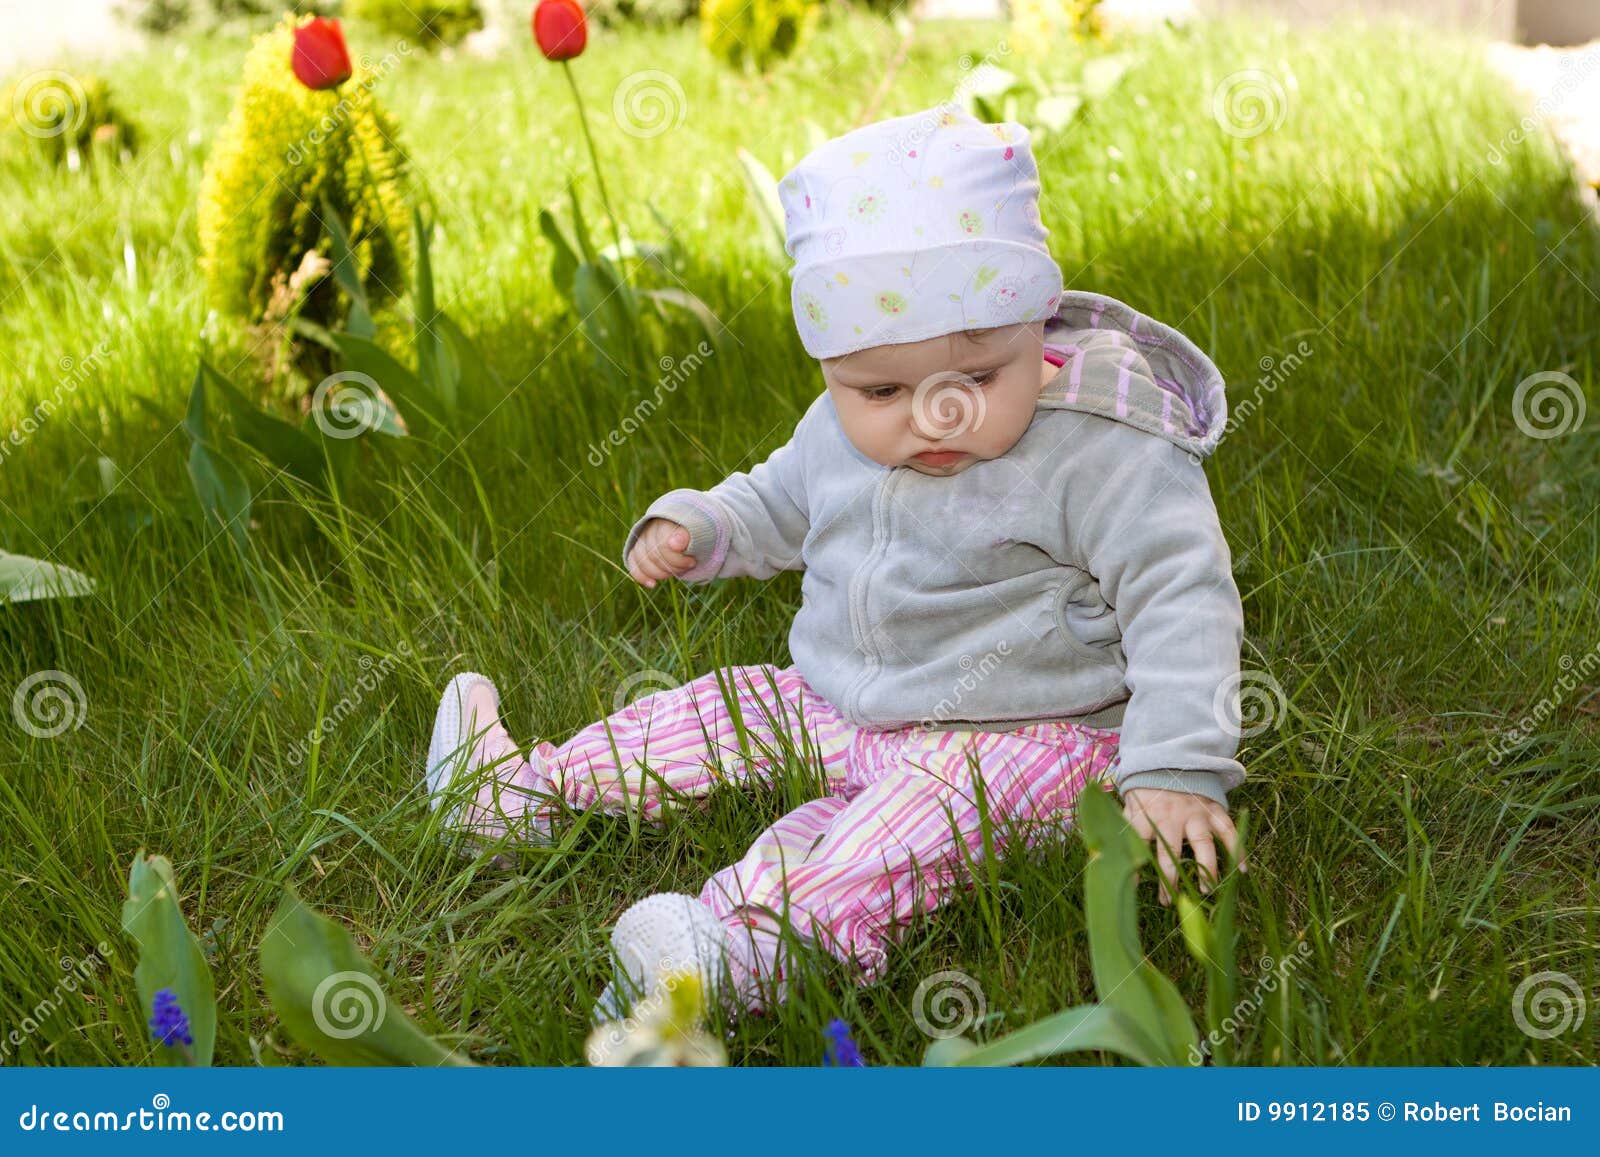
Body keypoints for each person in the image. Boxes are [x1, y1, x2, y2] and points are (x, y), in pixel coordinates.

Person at [425, 102, 1247, 1025]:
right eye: (883, 390)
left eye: (975, 380)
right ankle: (515, 797)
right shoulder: (840, 425)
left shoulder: (1106, 448)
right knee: (715, 710)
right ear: (832, 367)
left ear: (1036, 321)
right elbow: (783, 498)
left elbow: (1184, 598)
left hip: (1023, 733)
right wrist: (705, 525)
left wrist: (1177, 763)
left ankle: (745, 956)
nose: (933, 416)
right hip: (841, 692)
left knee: (898, 835)